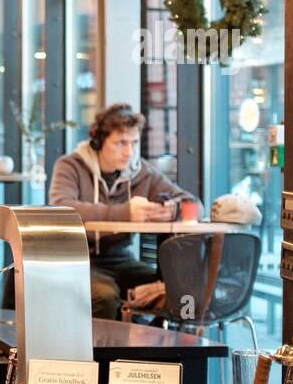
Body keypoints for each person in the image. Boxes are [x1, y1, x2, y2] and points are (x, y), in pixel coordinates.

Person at [48, 103, 195, 319]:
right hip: (78, 259)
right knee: (104, 296)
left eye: (134, 143)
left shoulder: (140, 171)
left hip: (123, 261)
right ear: (98, 142)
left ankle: (159, 351)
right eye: (120, 143)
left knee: (181, 290)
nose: (129, 152)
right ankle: (99, 354)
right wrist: (124, 213)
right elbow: (62, 208)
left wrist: (171, 210)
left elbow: (191, 202)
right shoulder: (70, 166)